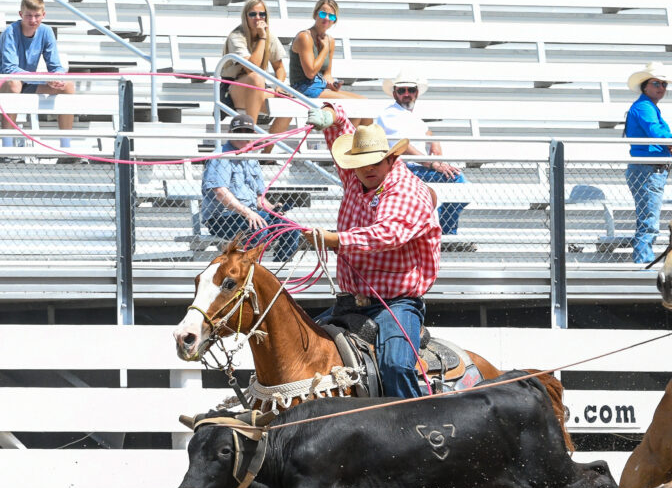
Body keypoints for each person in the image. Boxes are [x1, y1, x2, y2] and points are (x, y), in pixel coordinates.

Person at [302, 106, 442, 399]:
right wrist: (334, 116)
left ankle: (414, 427)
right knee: (302, 346)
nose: (368, 168)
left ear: (390, 158)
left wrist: (335, 240)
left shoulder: (406, 190)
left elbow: (389, 233)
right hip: (352, 302)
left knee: (395, 365)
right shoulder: (356, 177)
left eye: (375, 161)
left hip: (397, 303)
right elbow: (343, 135)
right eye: (361, 162)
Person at [376, 72, 475, 252]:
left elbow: (427, 133)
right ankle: (448, 234)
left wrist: (434, 142)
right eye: (402, 90)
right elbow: (402, 145)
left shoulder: (408, 116)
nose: (407, 94)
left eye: (411, 90)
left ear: (416, 93)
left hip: (415, 167)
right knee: (459, 183)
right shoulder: (390, 114)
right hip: (401, 169)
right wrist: (433, 163)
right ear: (394, 93)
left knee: (461, 187)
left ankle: (446, 234)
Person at [0, 0, 75, 148]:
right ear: (20, 14)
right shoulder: (10, 31)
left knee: (68, 85)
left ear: (43, 15)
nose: (33, 20)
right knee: (14, 84)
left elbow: (55, 66)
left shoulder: (46, 31)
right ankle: (7, 149)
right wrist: (46, 79)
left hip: (25, 84)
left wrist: (58, 77)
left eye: (37, 16)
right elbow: (10, 70)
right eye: (28, 15)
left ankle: (66, 149)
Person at [199, 110, 296, 261]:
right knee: (258, 229)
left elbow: (258, 199)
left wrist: (272, 208)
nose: (243, 135)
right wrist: (248, 213)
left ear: (253, 133)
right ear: (230, 133)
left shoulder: (251, 159)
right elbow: (220, 193)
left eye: (247, 131)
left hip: (249, 215)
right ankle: (247, 271)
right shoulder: (221, 156)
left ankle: (276, 271)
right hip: (222, 218)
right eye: (239, 132)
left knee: (291, 229)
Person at [623, 61, 672, 265]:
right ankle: (643, 265)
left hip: (648, 169)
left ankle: (643, 263)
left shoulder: (646, 106)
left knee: (648, 220)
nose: (661, 88)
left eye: (664, 84)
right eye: (657, 83)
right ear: (645, 85)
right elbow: (656, 132)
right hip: (648, 170)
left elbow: (656, 133)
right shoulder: (645, 107)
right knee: (649, 222)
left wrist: (669, 142)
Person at [221, 0, 290, 134]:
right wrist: (262, 38)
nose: (257, 18)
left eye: (261, 14)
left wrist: (279, 85)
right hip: (233, 88)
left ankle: (266, 150)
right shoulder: (237, 36)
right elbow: (251, 67)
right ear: (245, 16)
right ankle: (249, 132)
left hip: (257, 88)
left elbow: (280, 68)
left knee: (289, 105)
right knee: (256, 78)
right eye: (252, 14)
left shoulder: (269, 36)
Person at [289, 0, 367, 114]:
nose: (326, 18)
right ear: (315, 14)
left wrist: (332, 84)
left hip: (319, 86)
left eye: (331, 16)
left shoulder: (330, 40)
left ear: (334, 21)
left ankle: (360, 133)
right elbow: (310, 73)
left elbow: (327, 74)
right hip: (302, 88)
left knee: (365, 103)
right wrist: (324, 49)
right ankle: (347, 133)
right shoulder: (305, 37)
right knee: (354, 105)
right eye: (323, 13)